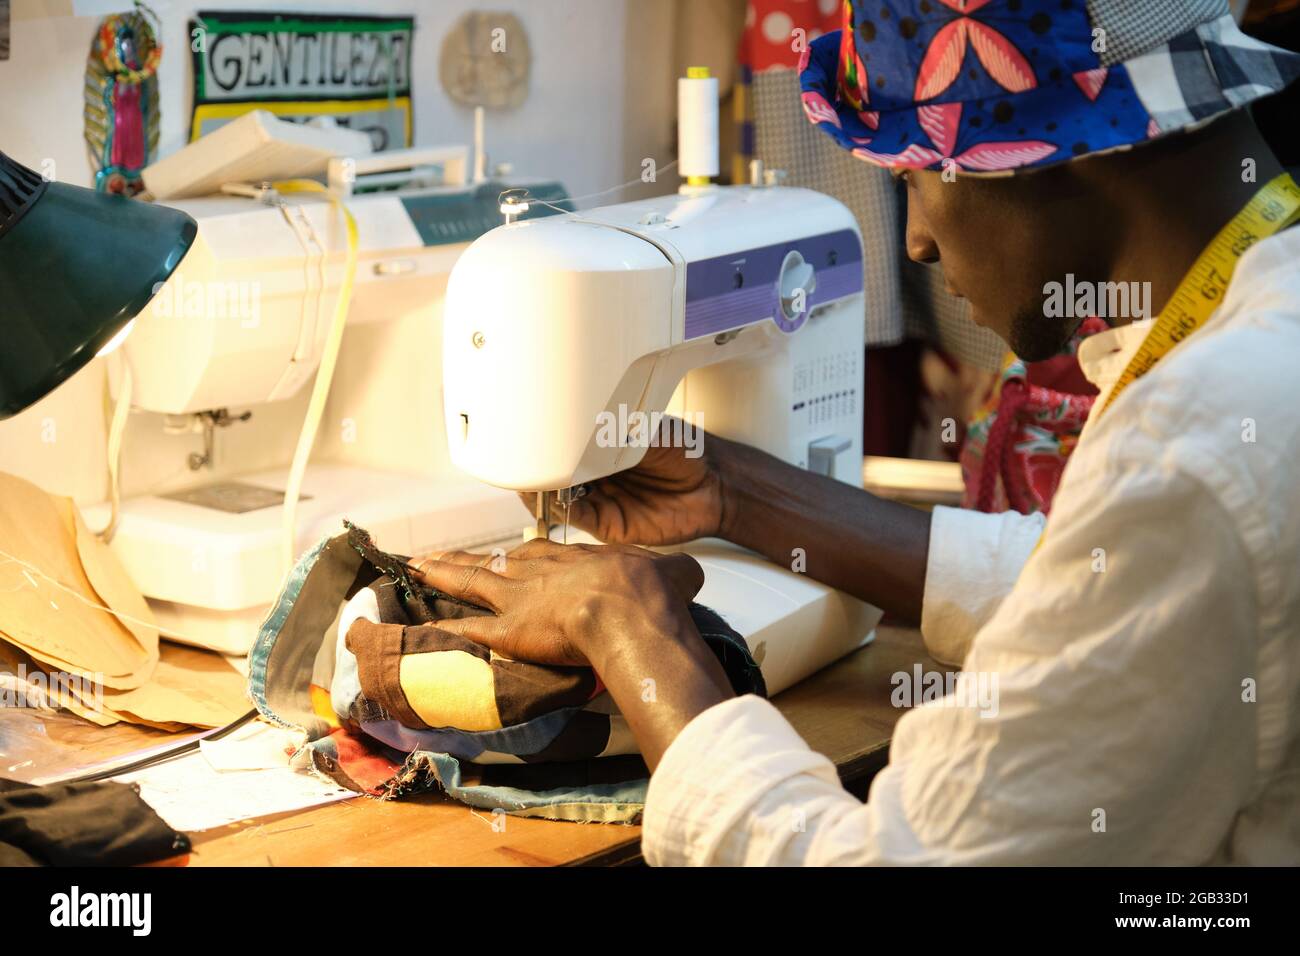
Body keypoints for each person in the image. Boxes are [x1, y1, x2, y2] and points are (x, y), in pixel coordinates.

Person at [414, 1, 1300, 865]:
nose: (913, 240)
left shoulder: (1198, 436)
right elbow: (1095, 587)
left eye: (915, 175)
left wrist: (641, 637)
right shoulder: (1254, 346)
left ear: (1049, 151)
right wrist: (733, 488)